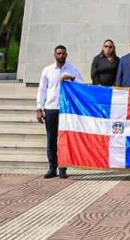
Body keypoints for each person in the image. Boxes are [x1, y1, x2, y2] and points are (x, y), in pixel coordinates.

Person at [36, 45, 85, 179]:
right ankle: (52, 168)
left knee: (64, 139)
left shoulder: (72, 69)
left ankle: (63, 168)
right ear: (54, 55)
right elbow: (42, 89)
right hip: (51, 108)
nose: (61, 56)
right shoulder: (47, 70)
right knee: (51, 139)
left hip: (66, 110)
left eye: (63, 54)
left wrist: (72, 79)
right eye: (58, 53)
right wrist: (39, 108)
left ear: (66, 55)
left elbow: (82, 85)